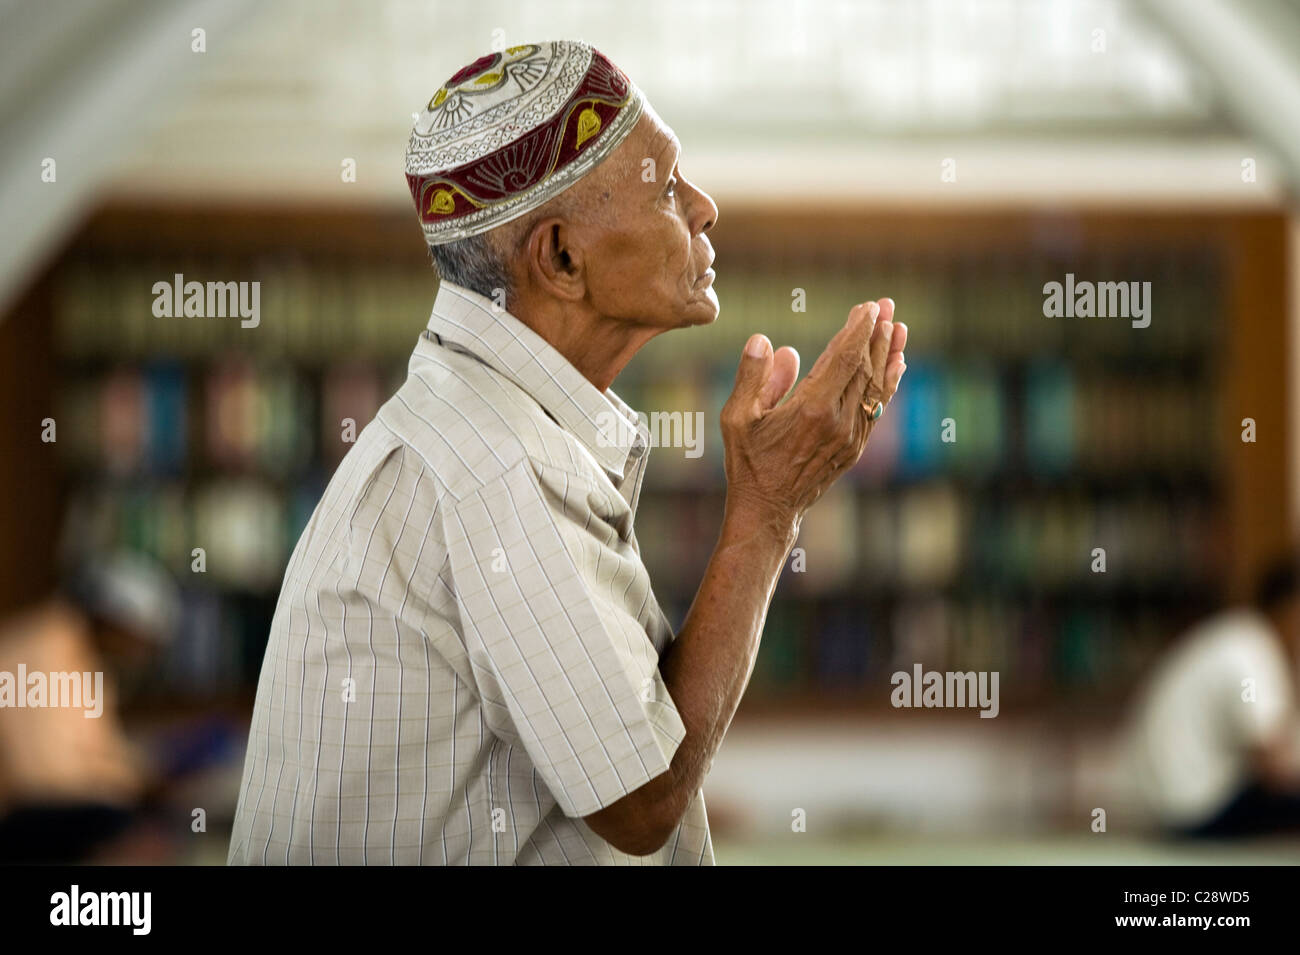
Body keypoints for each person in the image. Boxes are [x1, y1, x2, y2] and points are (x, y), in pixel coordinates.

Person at [227, 40, 907, 865]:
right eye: (665, 186)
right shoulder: (496, 463)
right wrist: (768, 511)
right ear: (560, 258)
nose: (704, 207)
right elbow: (642, 798)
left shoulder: (482, 426)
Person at [0, 551, 179, 862]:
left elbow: (98, 751)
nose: (142, 656)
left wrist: (145, 777)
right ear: (114, 620)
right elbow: (48, 780)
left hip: (62, 811)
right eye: (140, 641)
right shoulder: (38, 653)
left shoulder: (84, 657)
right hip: (25, 817)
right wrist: (136, 788)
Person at [1128, 551, 1300, 837]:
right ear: (1287, 607)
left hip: (1166, 803)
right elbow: (1274, 765)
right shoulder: (1253, 650)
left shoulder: (1236, 634)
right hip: (1195, 809)